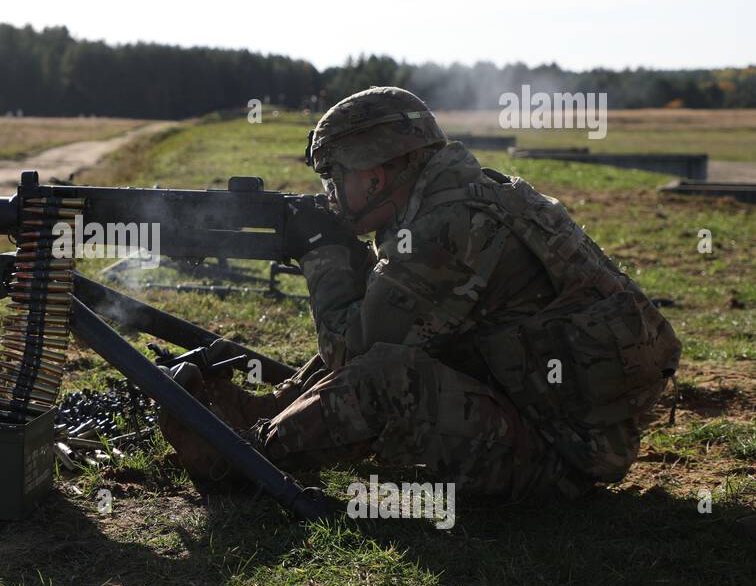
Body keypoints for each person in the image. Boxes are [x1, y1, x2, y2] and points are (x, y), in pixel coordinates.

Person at [158, 86, 681, 500]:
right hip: (550, 417)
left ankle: (240, 461)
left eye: (334, 176)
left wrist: (322, 252)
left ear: (378, 176)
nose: (329, 193)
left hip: (560, 455)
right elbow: (391, 312)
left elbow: (350, 351)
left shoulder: (451, 227)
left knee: (385, 372)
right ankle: (266, 419)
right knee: (380, 319)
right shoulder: (462, 199)